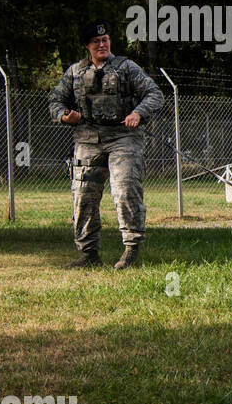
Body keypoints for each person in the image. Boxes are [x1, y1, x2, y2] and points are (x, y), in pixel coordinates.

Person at [48, 20, 165, 269]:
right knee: (83, 197)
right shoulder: (75, 72)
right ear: (87, 45)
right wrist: (64, 116)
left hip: (124, 137)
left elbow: (154, 94)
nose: (102, 44)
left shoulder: (126, 67)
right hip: (87, 139)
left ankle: (131, 250)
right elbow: (56, 101)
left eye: (105, 40)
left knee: (124, 190)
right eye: (96, 41)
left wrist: (138, 113)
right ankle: (89, 254)